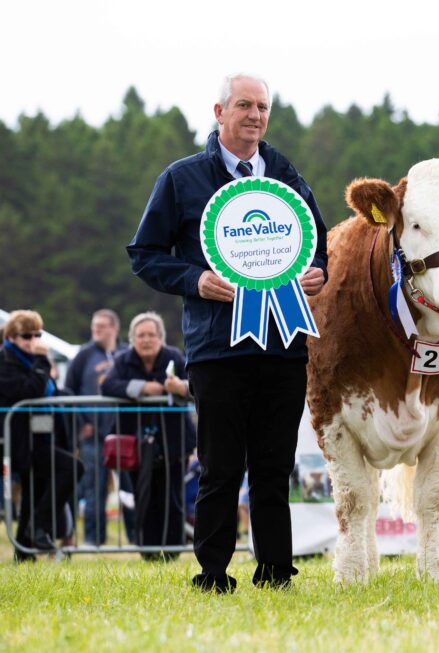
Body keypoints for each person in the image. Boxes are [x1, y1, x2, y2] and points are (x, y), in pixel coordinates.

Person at [127, 73, 328, 592]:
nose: (255, 115)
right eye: (244, 105)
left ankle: (276, 570)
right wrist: (195, 280)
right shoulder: (181, 179)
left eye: (262, 106)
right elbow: (145, 255)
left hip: (284, 345)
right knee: (219, 468)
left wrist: (318, 273)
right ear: (219, 112)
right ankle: (212, 573)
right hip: (217, 347)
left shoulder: (286, 176)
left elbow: (318, 245)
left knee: (274, 466)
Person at [101, 312, 196, 559]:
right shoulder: (123, 360)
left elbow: (194, 385)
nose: (146, 340)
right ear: (132, 339)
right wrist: (144, 388)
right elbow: (108, 386)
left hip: (173, 443)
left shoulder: (173, 356)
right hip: (134, 444)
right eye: (141, 335)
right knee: (143, 499)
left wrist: (181, 388)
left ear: (160, 338)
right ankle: (147, 551)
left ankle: (172, 551)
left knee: (172, 498)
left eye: (151, 335)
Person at [0, 310, 82, 561]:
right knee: (72, 468)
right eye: (27, 335)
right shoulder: (7, 361)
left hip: (44, 436)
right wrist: (41, 363)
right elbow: (29, 392)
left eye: (37, 334)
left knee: (33, 491)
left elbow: (51, 391)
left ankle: (24, 552)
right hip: (21, 440)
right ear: (12, 336)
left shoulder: (31, 360)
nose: (33, 340)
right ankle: (39, 526)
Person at [64, 308, 125, 546]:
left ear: (114, 328)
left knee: (131, 488)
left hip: (123, 431)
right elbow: (69, 390)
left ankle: (138, 539)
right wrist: (82, 422)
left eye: (101, 326)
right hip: (93, 434)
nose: (96, 330)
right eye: (94, 326)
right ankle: (93, 539)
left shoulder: (125, 352)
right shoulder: (84, 354)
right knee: (94, 489)